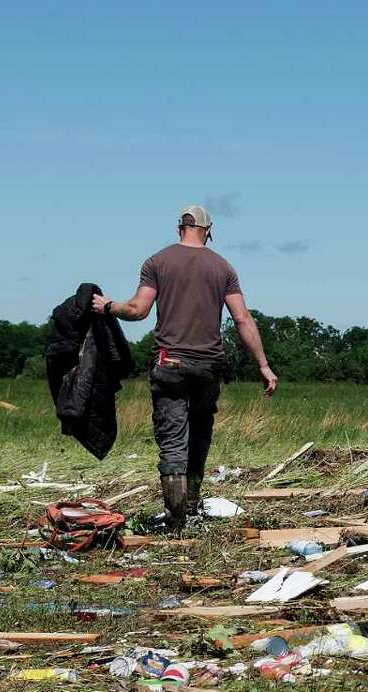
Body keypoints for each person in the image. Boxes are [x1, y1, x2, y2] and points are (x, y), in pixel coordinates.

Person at [92, 204, 278, 529]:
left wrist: (108, 306)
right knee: (200, 431)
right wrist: (263, 365)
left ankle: (176, 520)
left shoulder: (157, 262)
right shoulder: (223, 268)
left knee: (172, 436)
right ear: (209, 230)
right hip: (209, 366)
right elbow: (242, 319)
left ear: (179, 228)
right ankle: (191, 503)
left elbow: (137, 310)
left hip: (170, 363)